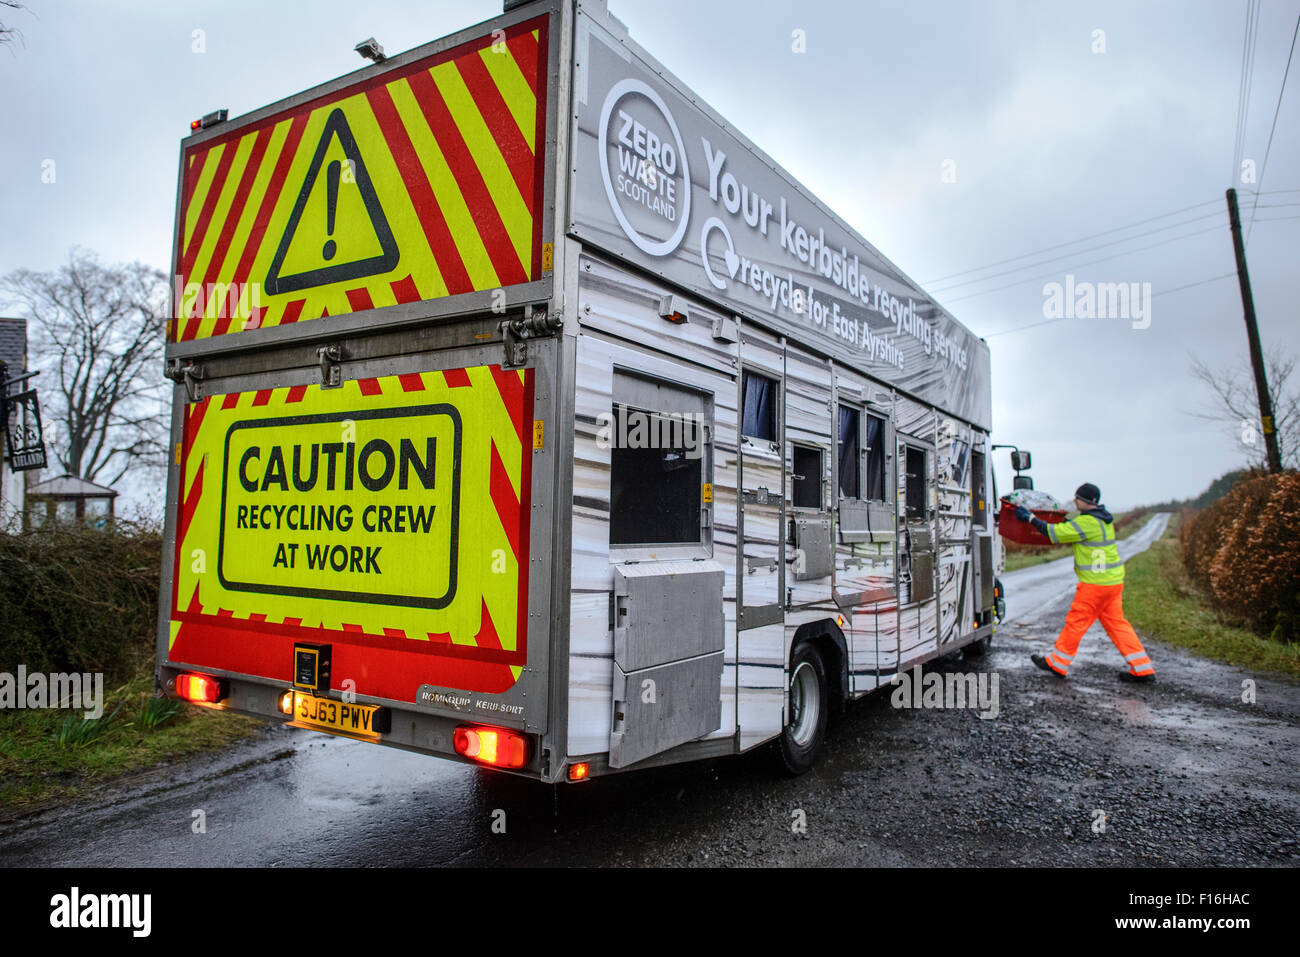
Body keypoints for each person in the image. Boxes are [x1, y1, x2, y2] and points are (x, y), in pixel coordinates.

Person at [1015, 482, 1155, 683]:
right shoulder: (1103, 520)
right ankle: (1143, 668)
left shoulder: (1087, 523)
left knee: (1076, 623)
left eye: (1077, 498)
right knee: (1118, 625)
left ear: (1086, 501)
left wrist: (1030, 518)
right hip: (1112, 582)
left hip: (1095, 585)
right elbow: (1072, 529)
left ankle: (1057, 663)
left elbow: (1053, 533)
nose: (1074, 500)